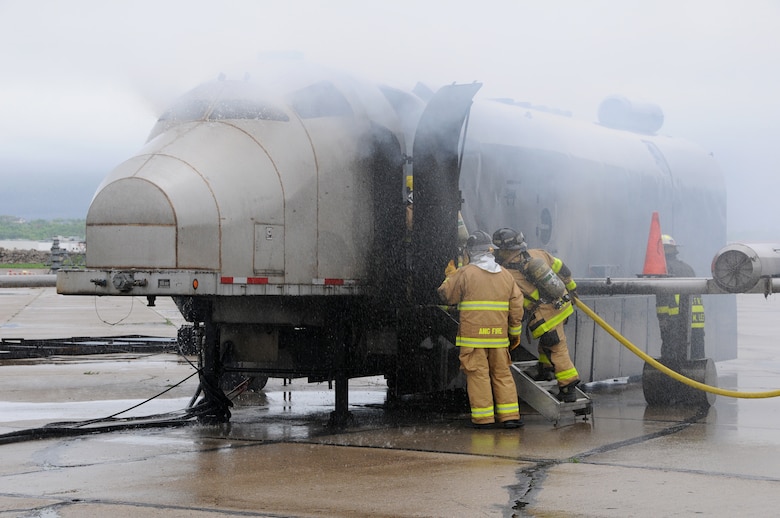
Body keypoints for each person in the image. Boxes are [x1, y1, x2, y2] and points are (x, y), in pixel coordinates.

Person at [437, 230, 525, 428]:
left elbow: (446, 296)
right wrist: (514, 333)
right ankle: (510, 417)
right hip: (499, 338)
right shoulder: (506, 275)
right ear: (489, 251)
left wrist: (449, 276)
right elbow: (517, 306)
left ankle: (484, 419)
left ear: (470, 252)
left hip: (474, 338)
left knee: (478, 375)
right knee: (502, 374)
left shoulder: (465, 273)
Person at [491, 227, 581, 403]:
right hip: (562, 305)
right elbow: (562, 268)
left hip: (544, 316)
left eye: (498, 249)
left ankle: (568, 387)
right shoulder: (538, 254)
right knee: (548, 343)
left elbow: (514, 300)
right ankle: (545, 370)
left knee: (556, 348)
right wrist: (572, 288)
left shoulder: (506, 274)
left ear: (505, 250)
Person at [656, 234, 705, 360]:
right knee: (696, 358)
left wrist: (663, 320)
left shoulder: (665, 268)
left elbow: (662, 298)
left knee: (672, 357)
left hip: (675, 320)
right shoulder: (688, 268)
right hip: (696, 320)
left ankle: (672, 378)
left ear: (661, 250)